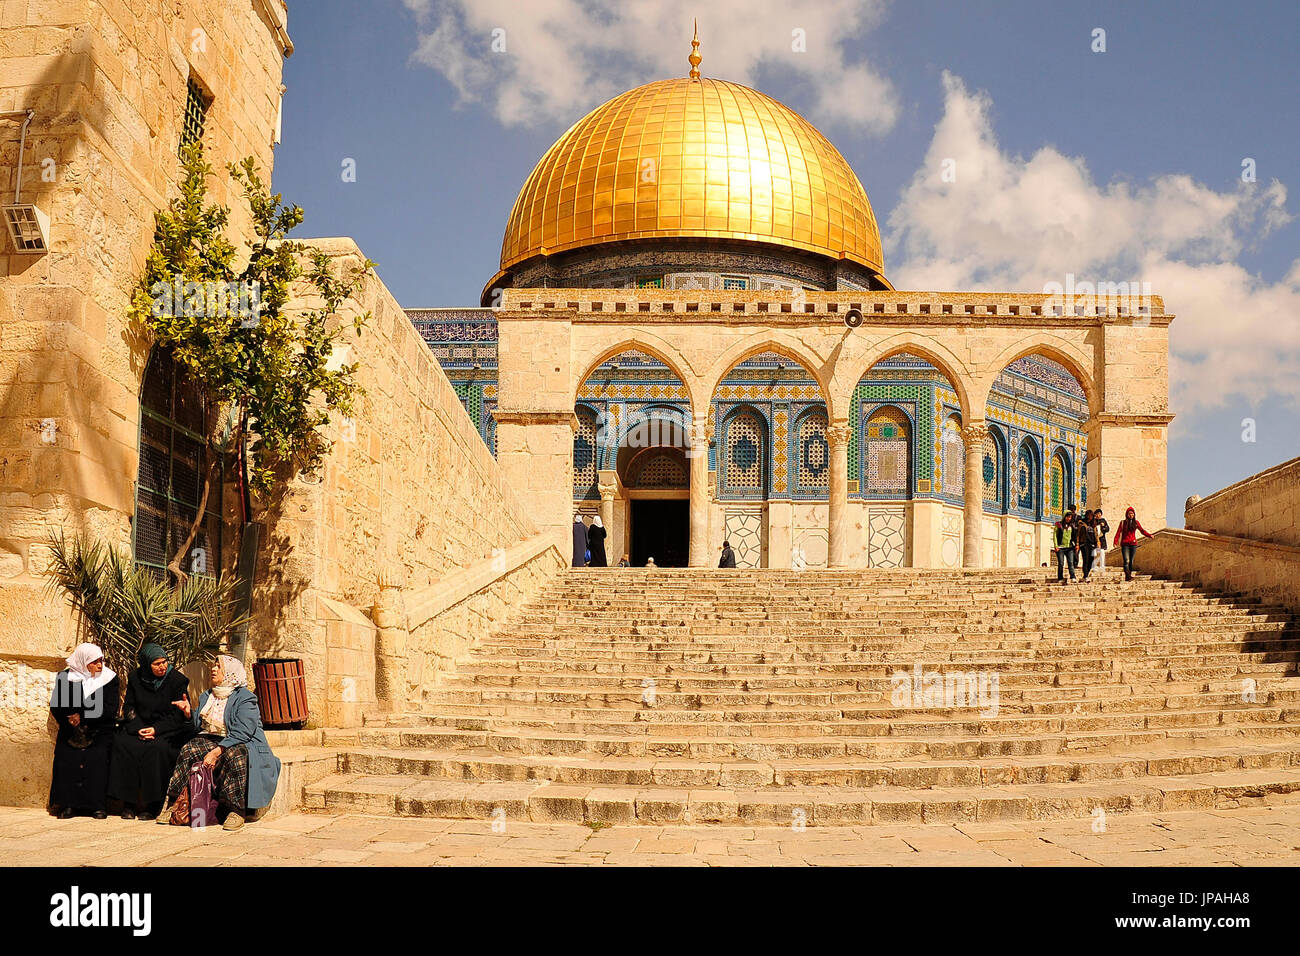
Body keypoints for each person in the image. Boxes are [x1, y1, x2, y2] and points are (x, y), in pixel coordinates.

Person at [157, 655, 280, 830]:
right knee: (189, 749)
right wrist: (187, 714)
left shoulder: (245, 698)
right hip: (212, 738)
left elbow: (243, 731)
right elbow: (197, 728)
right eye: (214, 666)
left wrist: (215, 753)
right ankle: (175, 803)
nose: (213, 669)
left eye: (219, 667)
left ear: (230, 673)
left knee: (235, 755)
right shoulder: (207, 695)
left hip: (241, 741)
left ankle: (236, 810)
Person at [108, 643, 193, 820]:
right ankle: (128, 803)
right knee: (124, 744)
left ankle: (152, 805)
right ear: (147, 665)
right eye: (157, 664)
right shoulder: (135, 678)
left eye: (164, 662)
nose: (163, 667)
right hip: (140, 726)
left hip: (167, 730)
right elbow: (130, 708)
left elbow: (177, 715)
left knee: (156, 750)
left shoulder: (177, 681)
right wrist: (139, 728)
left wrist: (156, 729)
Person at [49, 644, 120, 820]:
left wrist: (83, 717)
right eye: (94, 661)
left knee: (97, 757)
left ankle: (97, 805)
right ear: (83, 662)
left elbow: (110, 708)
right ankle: (68, 804)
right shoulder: (66, 677)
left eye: (101, 660)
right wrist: (70, 718)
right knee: (68, 757)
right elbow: (56, 705)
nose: (100, 665)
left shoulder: (109, 679)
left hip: (99, 729)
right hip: (71, 729)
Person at [1117, 505, 1154, 581]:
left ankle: (1129, 575)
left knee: (1131, 561)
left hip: (1133, 544)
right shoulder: (1123, 523)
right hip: (1125, 544)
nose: (1131, 515)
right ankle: (1127, 575)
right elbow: (1118, 532)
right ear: (1127, 514)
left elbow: (1142, 530)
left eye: (1132, 514)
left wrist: (1149, 535)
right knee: (1126, 560)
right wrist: (1115, 541)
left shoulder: (1136, 523)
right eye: (1129, 513)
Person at [1052, 509, 1077, 583]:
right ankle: (1060, 578)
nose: (1069, 518)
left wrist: (1076, 544)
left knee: (1070, 562)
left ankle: (1073, 577)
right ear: (1064, 517)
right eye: (1068, 517)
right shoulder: (1058, 525)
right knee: (1061, 563)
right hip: (1060, 547)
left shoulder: (1072, 526)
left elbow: (1074, 536)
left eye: (1070, 517)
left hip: (1069, 547)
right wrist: (1056, 545)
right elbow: (1055, 536)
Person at [1077, 509, 1098, 581]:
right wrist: (1077, 544)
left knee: (1091, 560)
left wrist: (1097, 542)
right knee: (1085, 559)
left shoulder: (1093, 524)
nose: (1090, 517)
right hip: (1084, 543)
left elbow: (1096, 534)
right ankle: (1085, 576)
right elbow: (1078, 534)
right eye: (1088, 515)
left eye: (1091, 516)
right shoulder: (1081, 523)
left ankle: (1086, 574)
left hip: (1092, 544)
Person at [1094, 507, 1110, 574]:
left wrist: (1103, 526)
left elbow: (1107, 529)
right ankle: (1094, 565)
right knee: (1094, 553)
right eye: (1097, 514)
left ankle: (1102, 565)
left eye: (1099, 514)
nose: (1098, 515)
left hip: (1102, 539)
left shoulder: (1103, 520)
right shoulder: (1093, 521)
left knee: (1102, 552)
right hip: (1094, 539)